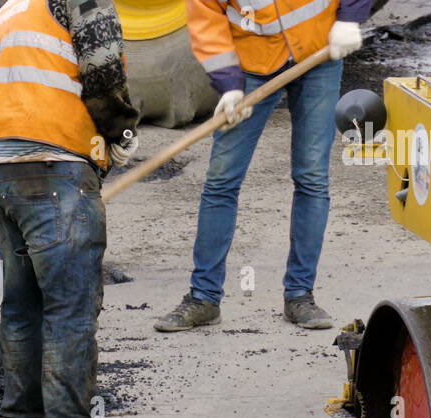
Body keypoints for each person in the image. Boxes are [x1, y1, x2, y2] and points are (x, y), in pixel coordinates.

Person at [0, 0, 140, 418]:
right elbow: (103, 73)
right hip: (50, 167)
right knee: (70, 308)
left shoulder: (7, 9)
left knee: (22, 304)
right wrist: (122, 132)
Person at [154, 0, 370, 332]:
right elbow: (206, 16)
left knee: (312, 177)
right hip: (253, 63)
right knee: (221, 180)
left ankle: (300, 295)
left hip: (318, 52)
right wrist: (228, 85)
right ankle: (204, 298)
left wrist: (350, 17)